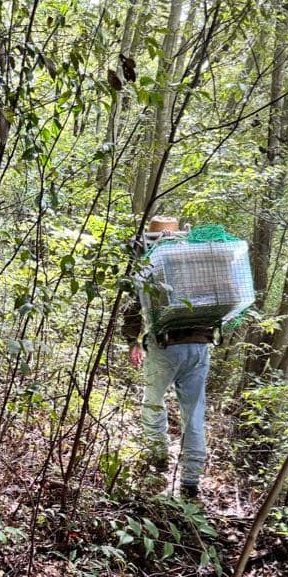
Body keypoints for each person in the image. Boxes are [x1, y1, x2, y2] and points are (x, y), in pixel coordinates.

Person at [123, 214, 214, 500]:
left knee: (153, 400)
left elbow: (135, 304)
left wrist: (132, 340)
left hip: (165, 345)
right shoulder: (199, 262)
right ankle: (189, 481)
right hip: (200, 346)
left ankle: (158, 453)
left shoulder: (153, 261)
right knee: (194, 413)